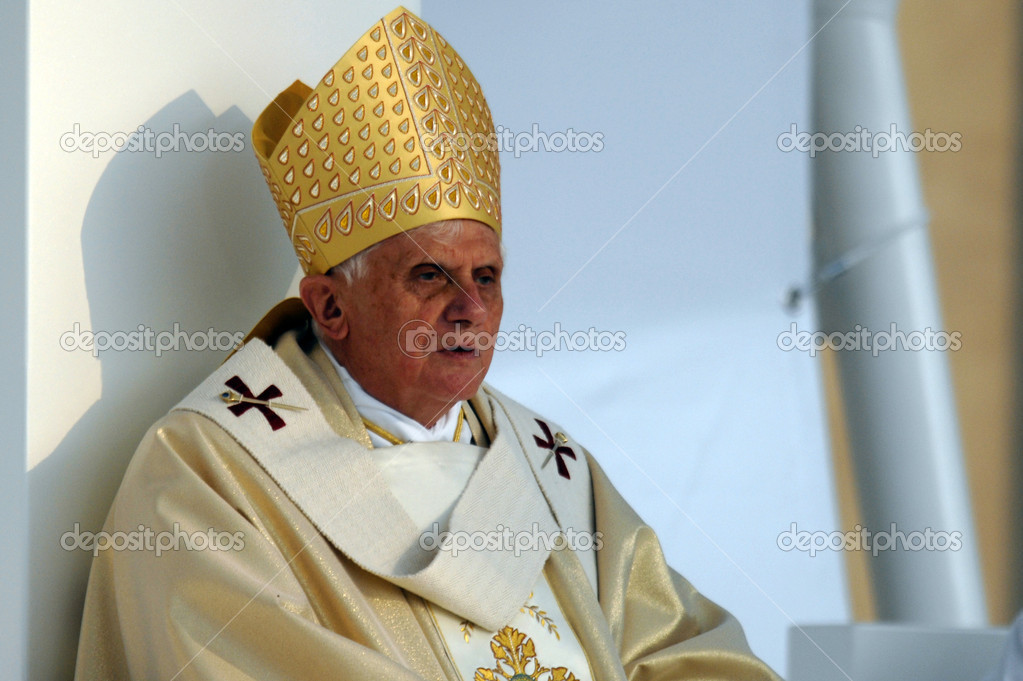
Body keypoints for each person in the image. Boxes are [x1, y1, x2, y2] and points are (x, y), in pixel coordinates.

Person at [73, 6, 782, 680]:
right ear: (329, 306)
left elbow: (687, 648)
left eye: (486, 275)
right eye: (429, 274)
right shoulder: (208, 471)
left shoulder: (553, 469)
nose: (469, 307)